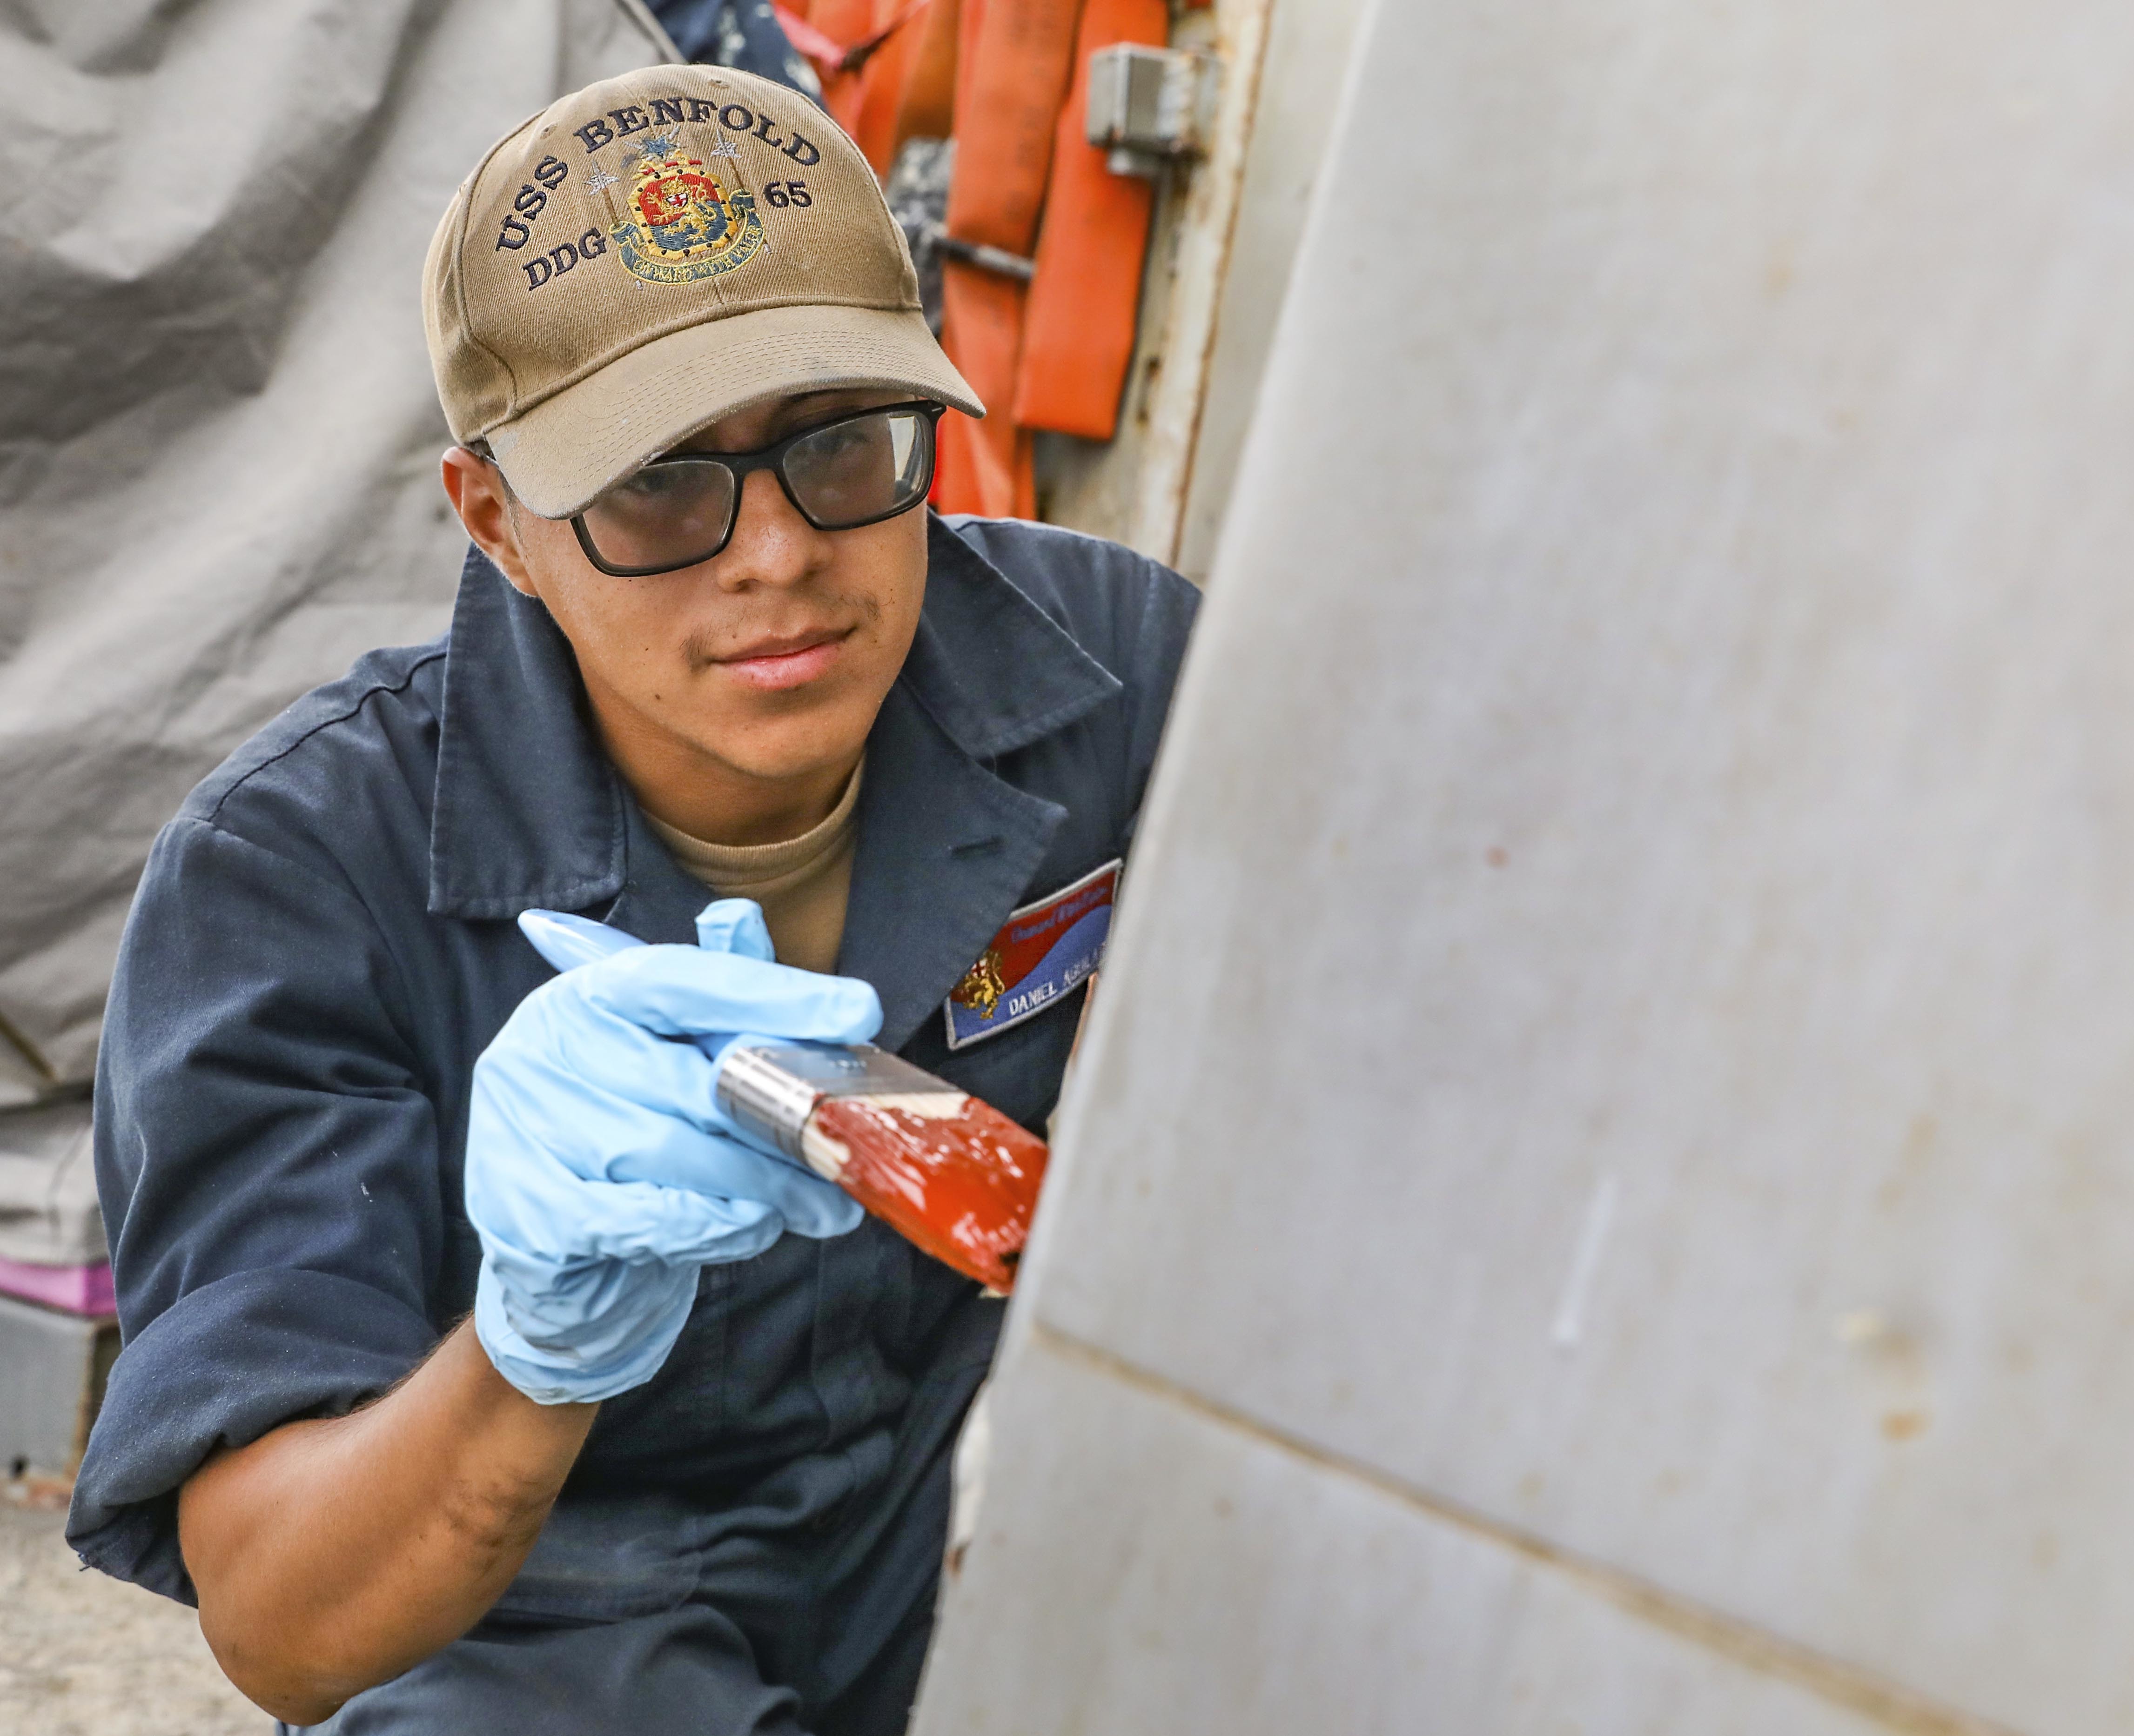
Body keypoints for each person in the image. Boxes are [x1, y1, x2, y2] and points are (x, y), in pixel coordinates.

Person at [67, 63, 1196, 1735]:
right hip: (551, 1598)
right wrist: (529, 1353)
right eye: (657, 481)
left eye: (839, 439)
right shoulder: (297, 872)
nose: (777, 553)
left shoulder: (1123, 676)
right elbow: (283, 1623)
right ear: (497, 525)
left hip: (1008, 1496)